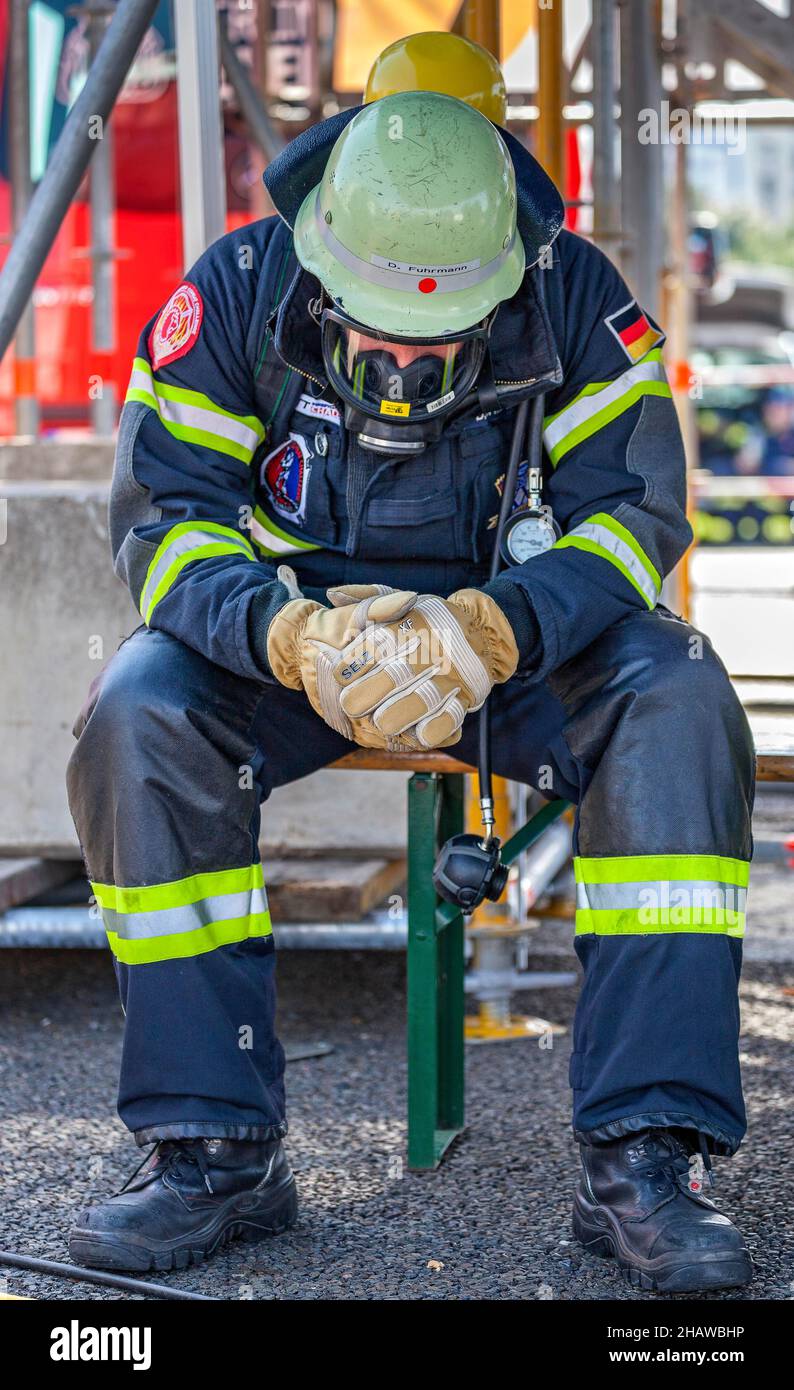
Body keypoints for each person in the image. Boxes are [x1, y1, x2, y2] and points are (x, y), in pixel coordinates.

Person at [66, 83, 754, 1293]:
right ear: (321, 262)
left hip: (517, 651)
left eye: (436, 341)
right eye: (374, 331)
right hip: (289, 643)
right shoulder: (231, 292)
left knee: (680, 695)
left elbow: (635, 508)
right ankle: (211, 1147)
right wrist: (286, 638)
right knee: (137, 714)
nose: (401, 361)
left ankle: (647, 1154)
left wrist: (495, 627)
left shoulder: (579, 296)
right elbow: (166, 519)